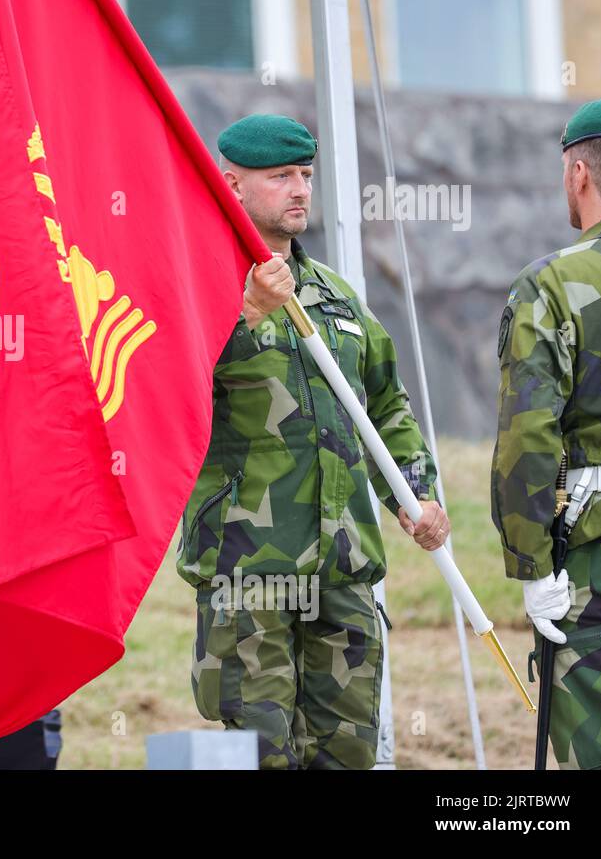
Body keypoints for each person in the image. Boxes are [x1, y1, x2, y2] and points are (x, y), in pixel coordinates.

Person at [178, 113, 449, 769]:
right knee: (261, 753)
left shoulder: (333, 295)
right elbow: (163, 387)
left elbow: (383, 403)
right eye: (280, 178)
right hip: (249, 569)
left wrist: (417, 496)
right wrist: (243, 312)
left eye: (305, 175)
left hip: (344, 565)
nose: (300, 189)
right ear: (232, 184)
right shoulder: (196, 283)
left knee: (348, 752)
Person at [492, 98, 601, 770]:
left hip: (600, 560)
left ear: (578, 174)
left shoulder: (553, 284)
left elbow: (528, 435)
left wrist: (532, 563)